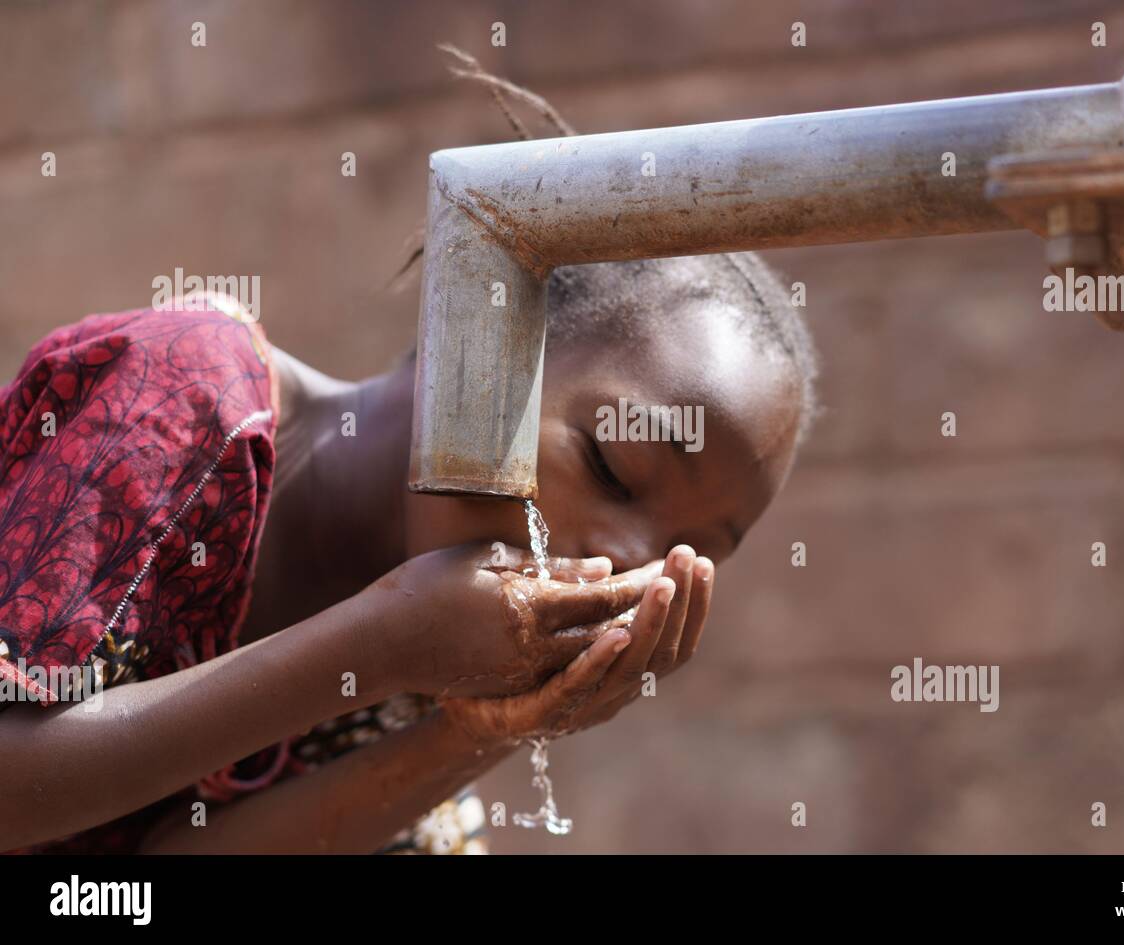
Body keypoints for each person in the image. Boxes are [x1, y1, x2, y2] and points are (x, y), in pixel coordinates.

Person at [0, 75, 818, 856]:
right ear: (474, 355)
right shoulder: (188, 395)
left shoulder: (439, 658)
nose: (626, 561)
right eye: (611, 464)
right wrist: (382, 643)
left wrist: (478, 730)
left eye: (691, 548)